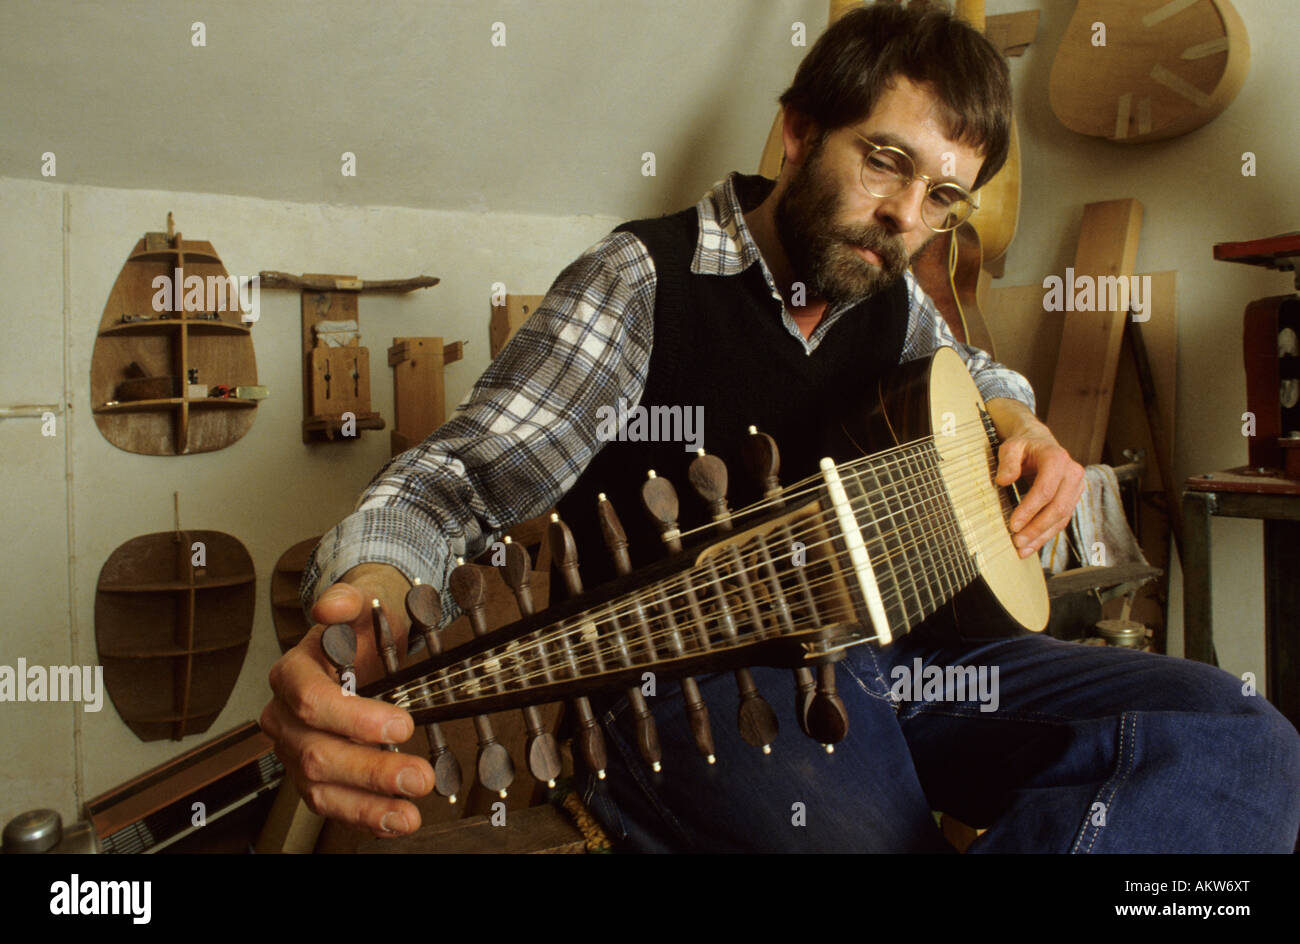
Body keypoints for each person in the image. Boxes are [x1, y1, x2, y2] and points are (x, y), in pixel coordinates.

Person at [261, 4, 1300, 852]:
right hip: (694, 678)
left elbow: (974, 372)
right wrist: (365, 602)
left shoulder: (890, 299)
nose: (906, 218)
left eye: (943, 196)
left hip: (895, 659)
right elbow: (452, 485)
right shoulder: (644, 280)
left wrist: (1020, 415)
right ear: (800, 133)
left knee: (1237, 737)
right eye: (884, 162)